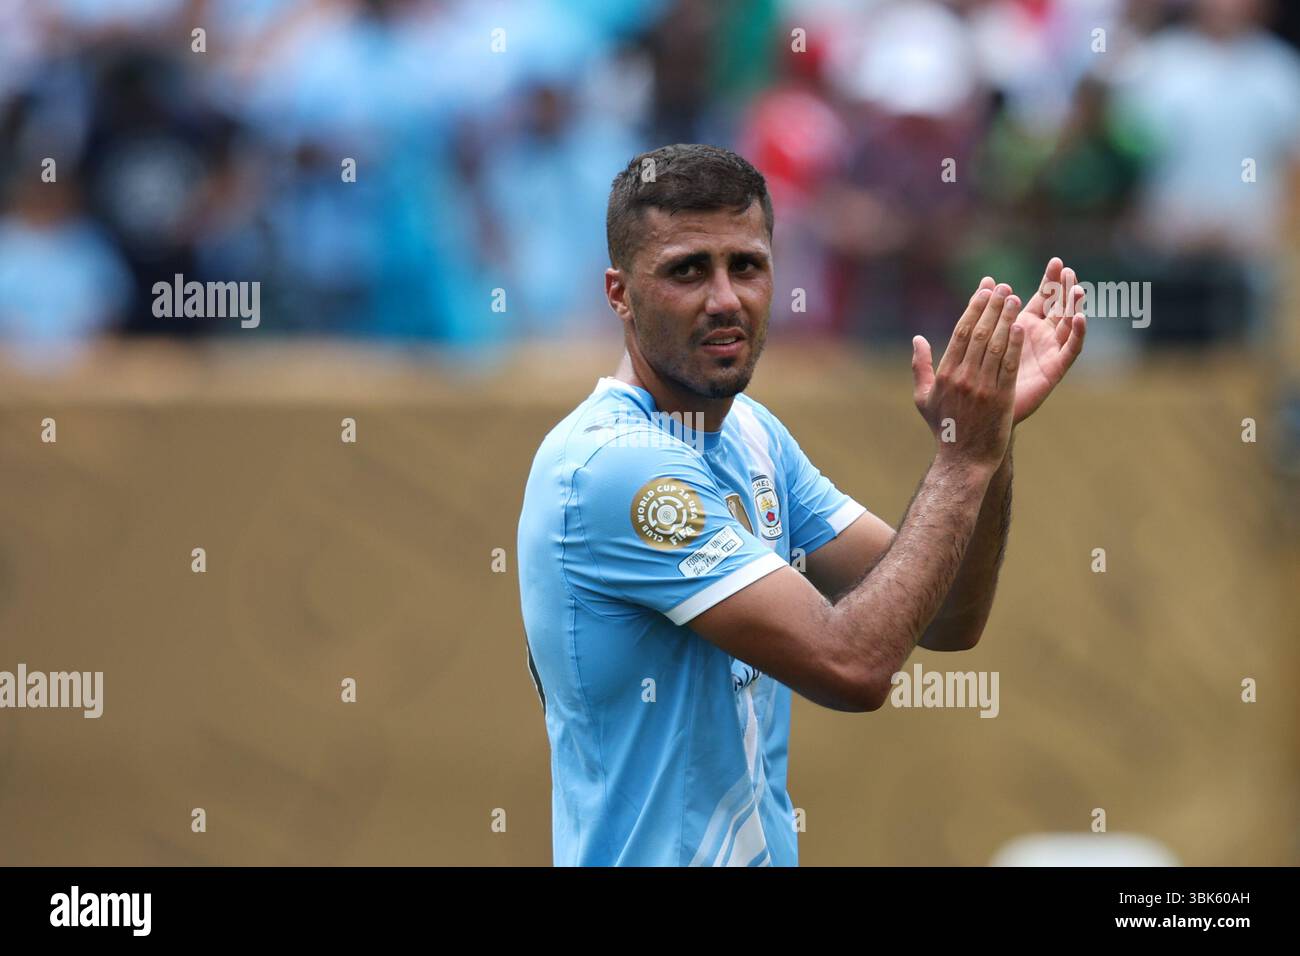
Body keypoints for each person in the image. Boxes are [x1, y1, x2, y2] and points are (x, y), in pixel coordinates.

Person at [515, 144, 1086, 866]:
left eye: (746, 265)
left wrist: (989, 439)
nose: (726, 298)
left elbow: (947, 620)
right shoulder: (614, 469)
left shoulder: (754, 435)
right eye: (687, 270)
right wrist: (962, 458)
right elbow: (854, 667)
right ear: (619, 293)